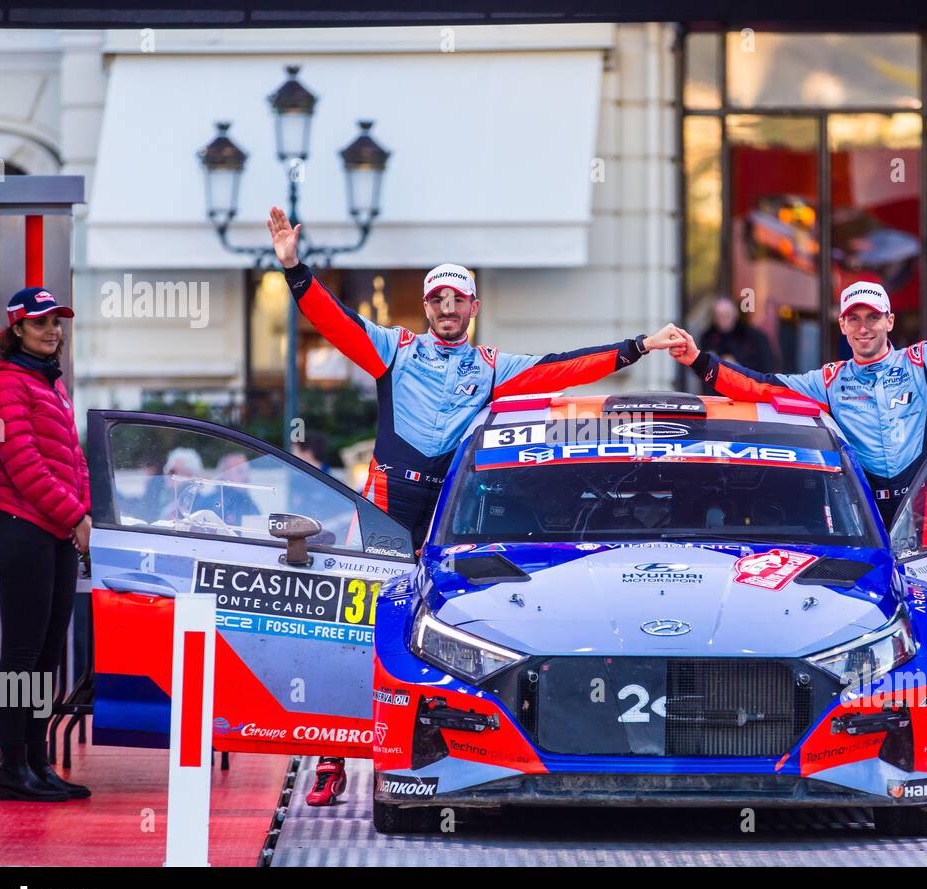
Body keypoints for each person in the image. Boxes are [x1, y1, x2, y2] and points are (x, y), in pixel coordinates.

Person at [267, 206, 682, 806]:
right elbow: (333, 321)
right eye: (437, 299)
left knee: (452, 625)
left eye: (457, 300)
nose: (447, 309)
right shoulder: (394, 349)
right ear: (426, 305)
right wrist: (294, 268)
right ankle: (333, 757)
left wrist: (637, 347)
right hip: (387, 501)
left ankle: (452, 743)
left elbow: (562, 370)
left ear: (474, 309)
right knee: (357, 627)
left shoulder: (494, 369)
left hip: (451, 512)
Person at [671, 220, 927, 813]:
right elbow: (758, 388)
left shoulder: (922, 363)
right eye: (853, 319)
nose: (864, 327)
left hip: (926, 520)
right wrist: (701, 362)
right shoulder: (827, 382)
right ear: (842, 326)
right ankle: (859, 750)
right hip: (862, 530)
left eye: (873, 317)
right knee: (867, 637)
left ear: (890, 321)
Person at [0, 287, 93, 802]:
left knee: (44, 656)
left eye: (57, 322)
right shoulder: (3, 385)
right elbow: (24, 467)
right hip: (22, 529)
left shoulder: (48, 381)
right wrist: (75, 515)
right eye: (40, 324)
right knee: (20, 654)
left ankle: (37, 761)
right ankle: (12, 768)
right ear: (16, 328)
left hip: (55, 530)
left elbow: (72, 458)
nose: (52, 330)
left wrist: (80, 511)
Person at [700, 296, 776, 374]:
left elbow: (767, 365)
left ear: (735, 314)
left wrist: (735, 365)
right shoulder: (708, 338)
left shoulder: (754, 337)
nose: (722, 319)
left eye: (727, 315)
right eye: (719, 315)